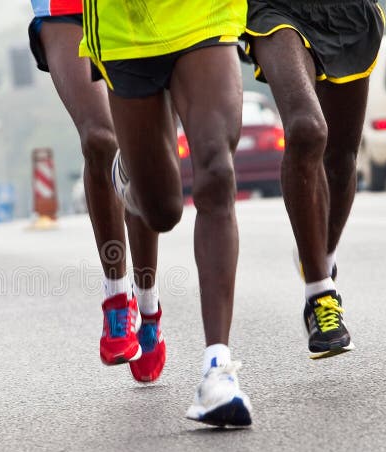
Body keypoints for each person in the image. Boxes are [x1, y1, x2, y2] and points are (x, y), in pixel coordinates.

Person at [81, 0, 252, 426]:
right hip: (126, 25)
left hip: (204, 14)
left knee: (216, 171)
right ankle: (129, 172)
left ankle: (218, 369)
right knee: (161, 212)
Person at [28, 0, 166, 382]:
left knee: (139, 147)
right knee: (101, 139)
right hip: (65, 9)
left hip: (142, 10)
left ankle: (149, 305)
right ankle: (117, 298)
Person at [244, 0, 384, 358]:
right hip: (275, 10)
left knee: (341, 158)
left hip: (347, 12)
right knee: (306, 130)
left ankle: (321, 256)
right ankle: (321, 295)